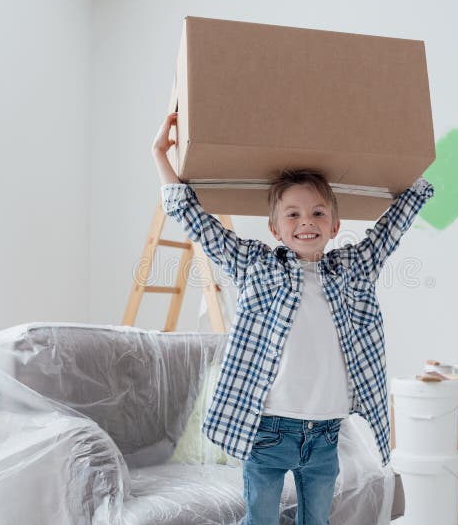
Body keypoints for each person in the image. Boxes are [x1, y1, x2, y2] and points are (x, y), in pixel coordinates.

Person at [152, 112, 435, 524]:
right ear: (274, 227)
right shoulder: (254, 266)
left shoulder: (353, 269)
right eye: (293, 214)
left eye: (318, 214)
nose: (306, 222)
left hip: (325, 437)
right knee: (260, 520)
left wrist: (413, 157)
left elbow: (393, 225)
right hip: (268, 432)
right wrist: (160, 156)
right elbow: (196, 222)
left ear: (336, 226)